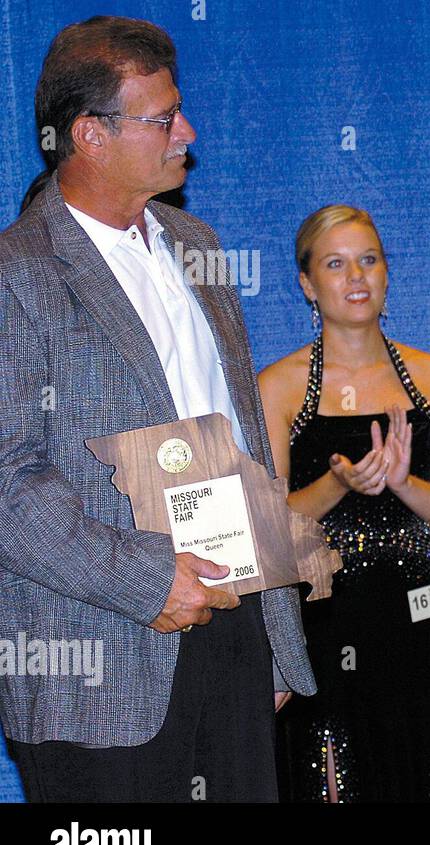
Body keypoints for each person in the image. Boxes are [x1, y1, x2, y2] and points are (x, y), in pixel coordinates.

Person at [0, 16, 313, 802]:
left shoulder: (197, 245)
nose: (188, 131)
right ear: (89, 136)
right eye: (163, 117)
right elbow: (7, 487)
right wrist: (149, 581)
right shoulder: (18, 275)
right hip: (99, 659)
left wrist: (276, 634)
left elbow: (244, 444)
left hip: (234, 625)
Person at [259, 206, 430, 802]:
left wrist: (404, 482)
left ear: (387, 274)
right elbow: (265, 527)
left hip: (418, 618)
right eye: (336, 263)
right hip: (319, 621)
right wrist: (339, 484)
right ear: (307, 283)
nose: (356, 276)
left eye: (369, 260)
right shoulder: (275, 388)